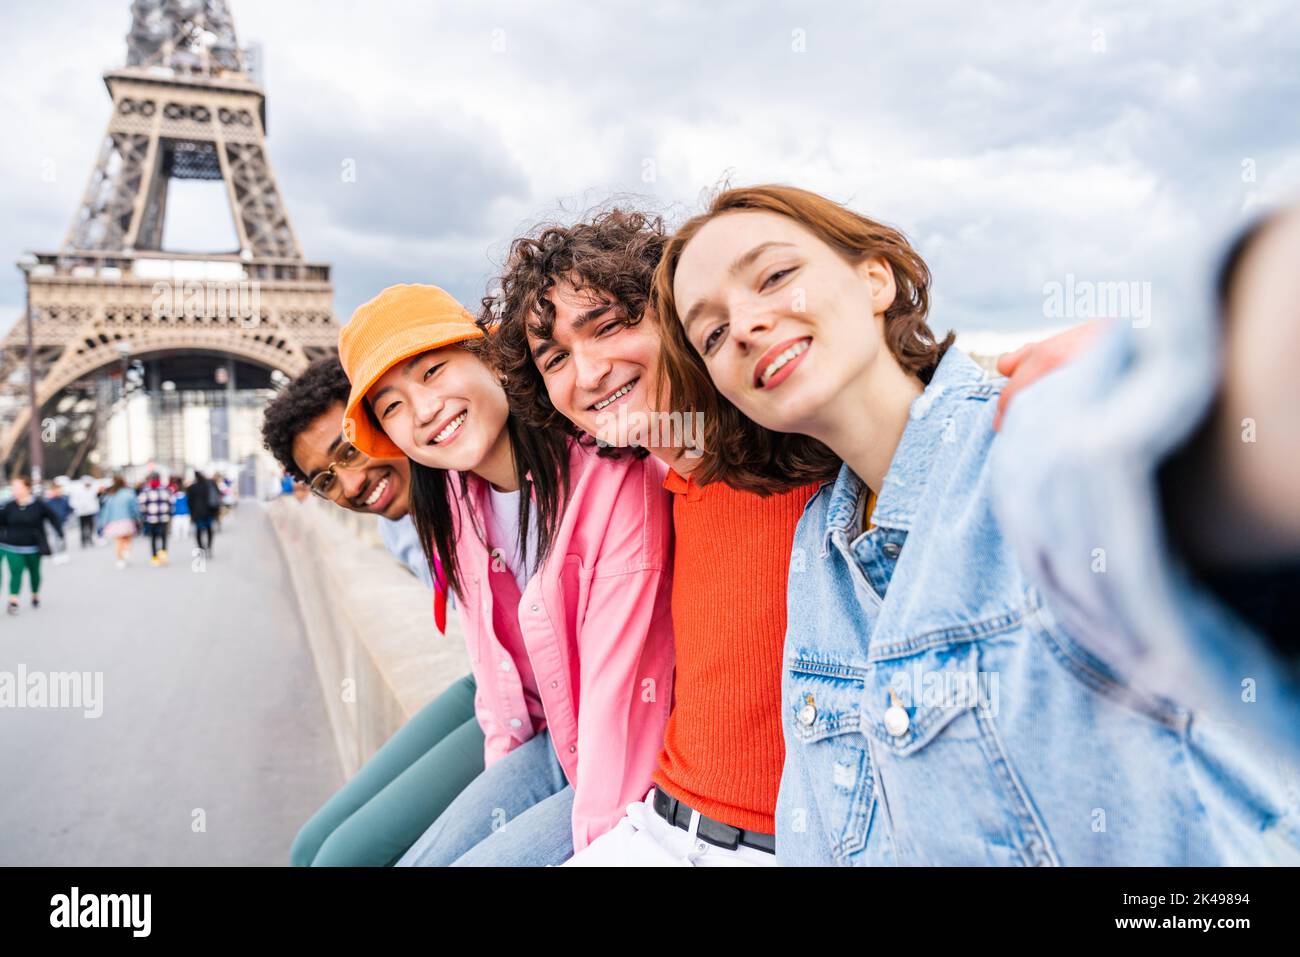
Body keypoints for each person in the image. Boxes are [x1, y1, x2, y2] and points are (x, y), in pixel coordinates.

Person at [652, 183, 1299, 865]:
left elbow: (1239, 406)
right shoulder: (817, 548)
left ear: (874, 278)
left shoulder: (1031, 441)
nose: (747, 323)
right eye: (714, 332)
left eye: (776, 275)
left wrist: (1167, 365)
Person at [484, 207, 1085, 865]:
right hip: (655, 822)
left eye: (610, 325)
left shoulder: (804, 449)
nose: (591, 369)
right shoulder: (647, 483)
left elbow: (922, 426)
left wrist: (1120, 372)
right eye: (557, 359)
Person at [337, 283, 675, 867]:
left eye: (433, 371)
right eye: (391, 406)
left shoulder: (611, 471)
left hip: (635, 762)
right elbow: (496, 682)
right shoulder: (457, 500)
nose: (422, 410)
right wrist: (502, 790)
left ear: (493, 357)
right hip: (559, 743)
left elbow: (626, 703)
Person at [995, 205, 1300, 766]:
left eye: (780, 277)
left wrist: (1128, 380)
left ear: (877, 279)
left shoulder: (1010, 434)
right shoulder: (811, 514)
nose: (772, 315)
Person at [261, 355, 484, 866]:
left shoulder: (477, 479)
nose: (353, 485)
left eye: (350, 451)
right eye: (325, 481)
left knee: (340, 859)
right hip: (491, 680)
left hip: (535, 702)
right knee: (307, 849)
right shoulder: (396, 526)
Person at [0, 474, 65, 614]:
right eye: (13, 488)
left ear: (28, 488)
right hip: (13, 546)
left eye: (18, 487)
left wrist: (59, 532)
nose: (15, 490)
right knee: (15, 573)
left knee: (34, 573)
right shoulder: (8, 506)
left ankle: (35, 594)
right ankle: (13, 601)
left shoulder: (39, 505)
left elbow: (53, 517)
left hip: (33, 546)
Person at [97, 474, 140, 570]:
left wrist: (103, 522)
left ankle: (120, 560)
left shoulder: (110, 495)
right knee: (127, 538)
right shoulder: (129, 493)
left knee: (119, 541)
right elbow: (134, 507)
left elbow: (106, 510)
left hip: (114, 521)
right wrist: (137, 517)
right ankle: (126, 552)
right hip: (127, 519)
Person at [138, 473, 174, 566]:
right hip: (163, 517)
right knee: (163, 536)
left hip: (151, 518)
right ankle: (163, 555)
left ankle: (155, 557)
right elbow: (171, 503)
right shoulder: (165, 490)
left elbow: (141, 505)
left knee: (153, 538)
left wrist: (145, 514)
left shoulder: (146, 491)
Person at [186, 471, 219, 557]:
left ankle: (201, 548)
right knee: (209, 530)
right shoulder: (208, 486)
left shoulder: (192, 488)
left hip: (197, 513)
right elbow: (216, 497)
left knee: (199, 531)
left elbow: (189, 502)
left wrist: (191, 513)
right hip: (209, 512)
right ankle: (209, 547)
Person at [69, 476, 101, 548]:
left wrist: (95, 508)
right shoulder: (77, 490)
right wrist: (80, 506)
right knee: (82, 527)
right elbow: (73, 502)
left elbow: (95, 501)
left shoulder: (92, 490)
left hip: (91, 511)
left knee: (91, 526)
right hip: (81, 512)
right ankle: (83, 541)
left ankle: (90, 539)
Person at [170, 474, 191, 544]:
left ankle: (177, 536)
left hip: (177, 513)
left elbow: (172, 504)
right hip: (185, 512)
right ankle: (184, 535)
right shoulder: (185, 495)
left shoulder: (174, 496)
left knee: (176, 526)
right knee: (185, 525)